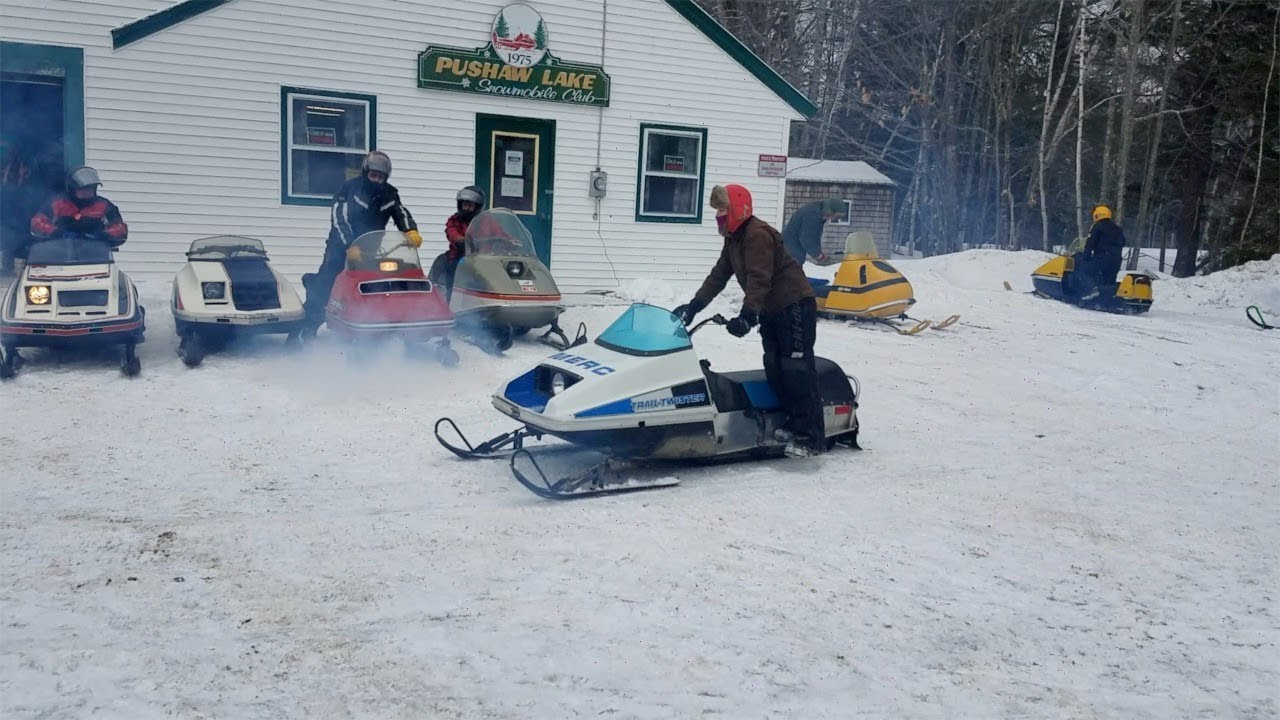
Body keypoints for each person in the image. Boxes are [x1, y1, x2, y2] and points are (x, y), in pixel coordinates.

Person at [673, 184, 825, 457]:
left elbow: (759, 278)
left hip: (794, 306)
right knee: (774, 365)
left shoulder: (757, 235)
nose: (718, 216)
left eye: (722, 210)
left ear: (737, 209)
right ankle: (790, 421)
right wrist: (694, 306)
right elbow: (719, 274)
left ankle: (810, 435)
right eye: (716, 211)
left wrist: (747, 315)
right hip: (772, 309)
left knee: (796, 368)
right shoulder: (734, 237)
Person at [301, 150, 422, 336]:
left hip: (370, 248)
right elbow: (339, 218)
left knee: (374, 286)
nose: (376, 180)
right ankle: (305, 328)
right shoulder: (349, 188)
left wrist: (410, 231)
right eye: (373, 175)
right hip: (341, 246)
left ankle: (371, 327)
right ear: (366, 173)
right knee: (328, 283)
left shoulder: (390, 194)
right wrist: (350, 245)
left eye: (380, 177)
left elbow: (401, 213)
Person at [28, 166, 128, 251]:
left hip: (95, 255)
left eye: (90, 190)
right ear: (72, 189)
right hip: (59, 254)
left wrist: (101, 235)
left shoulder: (104, 206)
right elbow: (37, 223)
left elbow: (120, 229)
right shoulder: (58, 203)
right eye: (83, 190)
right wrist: (58, 233)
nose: (87, 193)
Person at [436, 185, 486, 298]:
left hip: (484, 257)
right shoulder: (454, 220)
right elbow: (451, 231)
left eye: (470, 205)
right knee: (455, 267)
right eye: (465, 205)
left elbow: (500, 232)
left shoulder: (486, 221)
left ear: (477, 207)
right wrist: (460, 240)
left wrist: (511, 241)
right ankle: (451, 298)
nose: (467, 208)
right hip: (461, 256)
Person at [781, 197, 845, 266]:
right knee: (791, 273)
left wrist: (819, 253)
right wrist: (819, 256)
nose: (833, 218)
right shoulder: (813, 215)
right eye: (836, 216)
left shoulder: (817, 211)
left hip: (792, 250)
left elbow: (814, 237)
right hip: (790, 252)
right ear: (830, 211)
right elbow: (807, 239)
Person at [1079, 204, 1126, 298]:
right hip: (1116, 260)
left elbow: (1090, 244)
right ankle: (1107, 298)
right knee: (1109, 280)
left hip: (1102, 258)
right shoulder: (1118, 229)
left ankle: (1091, 290)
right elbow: (1123, 242)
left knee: (1082, 270)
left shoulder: (1097, 227)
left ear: (1097, 214)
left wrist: (1084, 257)